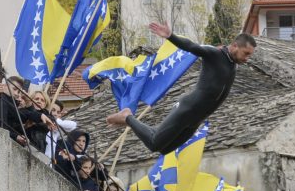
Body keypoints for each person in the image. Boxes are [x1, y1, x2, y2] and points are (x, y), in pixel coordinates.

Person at [107, 22, 255, 153]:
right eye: (246, 53)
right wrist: (171, 36)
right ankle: (127, 116)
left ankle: (143, 126)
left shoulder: (233, 64)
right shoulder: (215, 54)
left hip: (196, 119)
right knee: (154, 143)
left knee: (165, 149)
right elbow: (192, 47)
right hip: (188, 108)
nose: (247, 58)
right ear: (235, 45)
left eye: (249, 55)